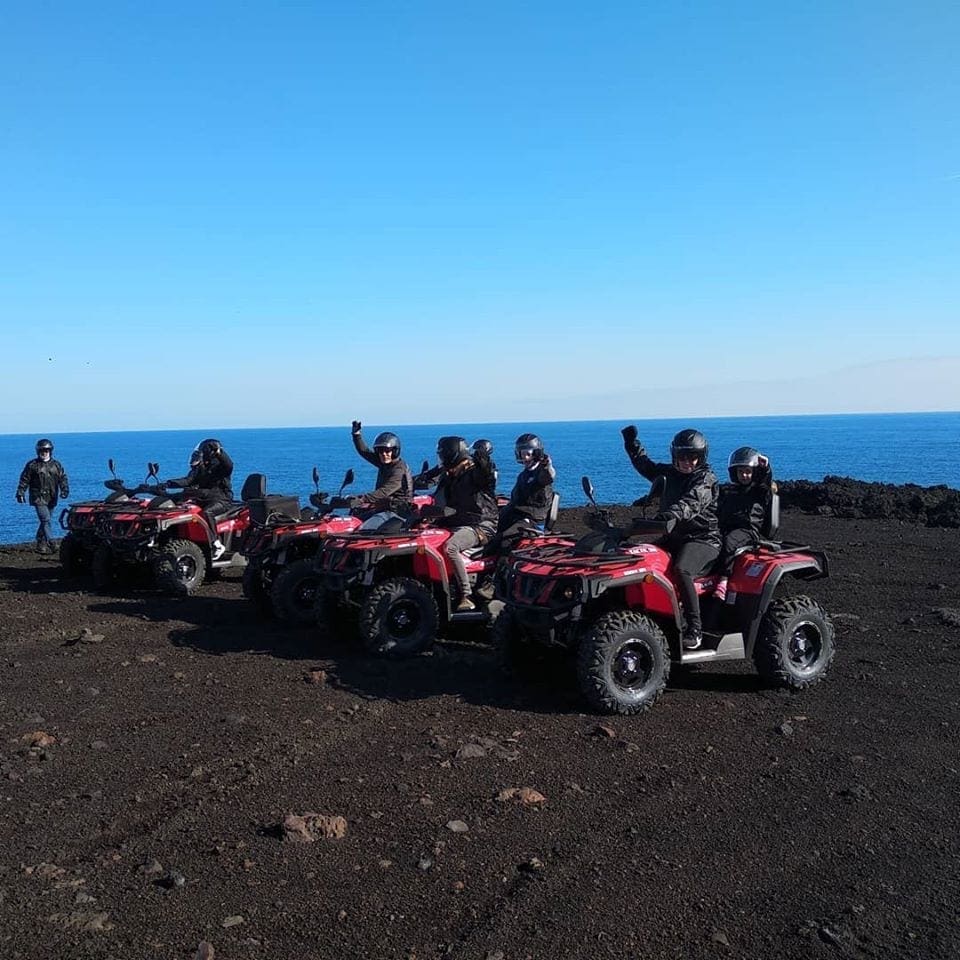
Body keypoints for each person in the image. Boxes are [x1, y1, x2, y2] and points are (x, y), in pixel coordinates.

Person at [621, 426, 720, 650]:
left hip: (703, 538)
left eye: (693, 457)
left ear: (701, 457)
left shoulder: (706, 479)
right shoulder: (670, 473)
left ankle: (694, 628)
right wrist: (631, 444)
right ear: (675, 456)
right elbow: (645, 466)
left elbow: (692, 502)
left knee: (682, 569)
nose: (687, 462)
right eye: (682, 456)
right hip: (673, 535)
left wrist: (672, 514)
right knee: (636, 553)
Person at [426, 436, 499, 611]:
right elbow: (437, 497)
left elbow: (487, 475)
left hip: (481, 525)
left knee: (451, 547)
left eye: (443, 455)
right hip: (457, 522)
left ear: (452, 454)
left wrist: (483, 459)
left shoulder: (474, 474)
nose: (441, 459)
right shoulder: (451, 475)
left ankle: (466, 596)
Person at [715, 447, 775, 602]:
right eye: (741, 472)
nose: (744, 475)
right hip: (727, 527)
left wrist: (765, 468)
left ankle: (723, 579)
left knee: (729, 542)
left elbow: (766, 483)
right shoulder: (729, 491)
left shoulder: (759, 491)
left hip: (748, 530)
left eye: (748, 471)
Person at [164, 438, 233, 559]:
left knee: (208, 512)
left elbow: (229, 465)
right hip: (204, 497)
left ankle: (216, 543)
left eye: (203, 450)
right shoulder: (201, 467)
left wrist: (218, 451)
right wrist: (168, 484)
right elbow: (188, 480)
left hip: (222, 499)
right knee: (181, 505)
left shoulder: (220, 467)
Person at [495, 433, 556, 548]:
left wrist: (547, 465)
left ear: (537, 453)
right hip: (517, 517)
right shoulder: (524, 475)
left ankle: (504, 564)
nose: (525, 458)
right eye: (522, 454)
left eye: (528, 453)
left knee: (504, 540)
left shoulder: (540, 473)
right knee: (493, 533)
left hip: (532, 521)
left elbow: (549, 476)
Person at [350, 421, 414, 520]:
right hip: (384, 507)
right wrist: (356, 435)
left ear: (395, 451)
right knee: (355, 517)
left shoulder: (399, 469)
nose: (384, 454)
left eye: (387, 451)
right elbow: (364, 452)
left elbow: (384, 491)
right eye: (380, 451)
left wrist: (362, 499)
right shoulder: (384, 463)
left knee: (361, 523)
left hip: (398, 512)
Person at [16, 438, 69, 554]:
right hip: (38, 497)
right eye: (41, 450)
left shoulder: (57, 465)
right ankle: (52, 542)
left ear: (50, 451)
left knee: (45, 521)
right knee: (46, 519)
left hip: (52, 497)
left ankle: (40, 542)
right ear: (37, 451)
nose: (44, 452)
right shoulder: (32, 465)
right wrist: (20, 492)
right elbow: (24, 479)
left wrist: (64, 490)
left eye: (46, 450)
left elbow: (63, 478)